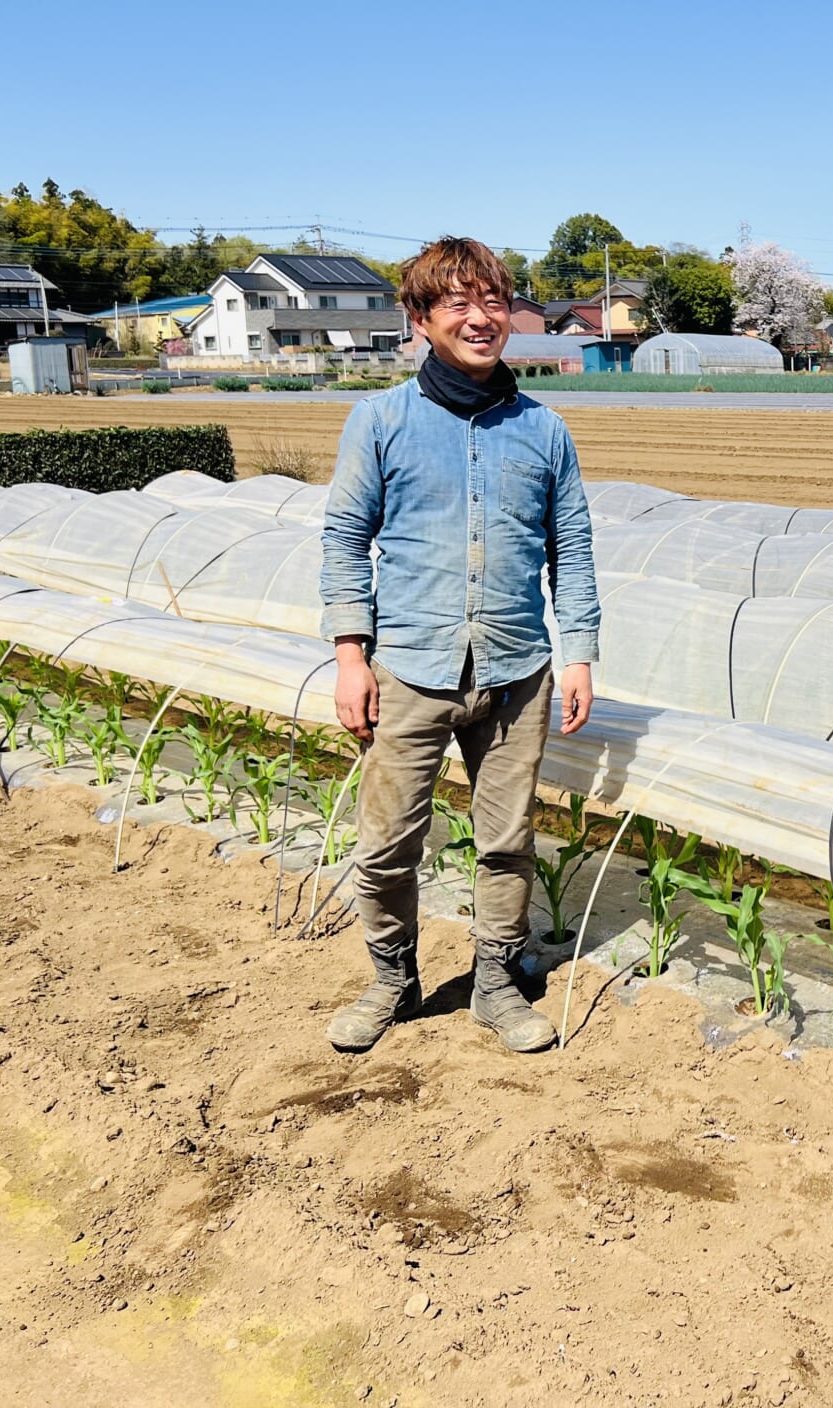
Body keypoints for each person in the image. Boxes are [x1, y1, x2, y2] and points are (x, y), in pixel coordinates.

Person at [317, 235, 600, 1054]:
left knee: (506, 841)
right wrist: (350, 656)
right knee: (386, 842)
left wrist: (577, 649)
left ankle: (494, 987)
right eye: (457, 304)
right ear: (420, 318)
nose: (480, 320)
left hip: (518, 669)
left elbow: (571, 547)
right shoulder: (380, 421)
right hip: (410, 668)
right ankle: (391, 980)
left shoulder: (543, 430)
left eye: (493, 304)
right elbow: (344, 539)